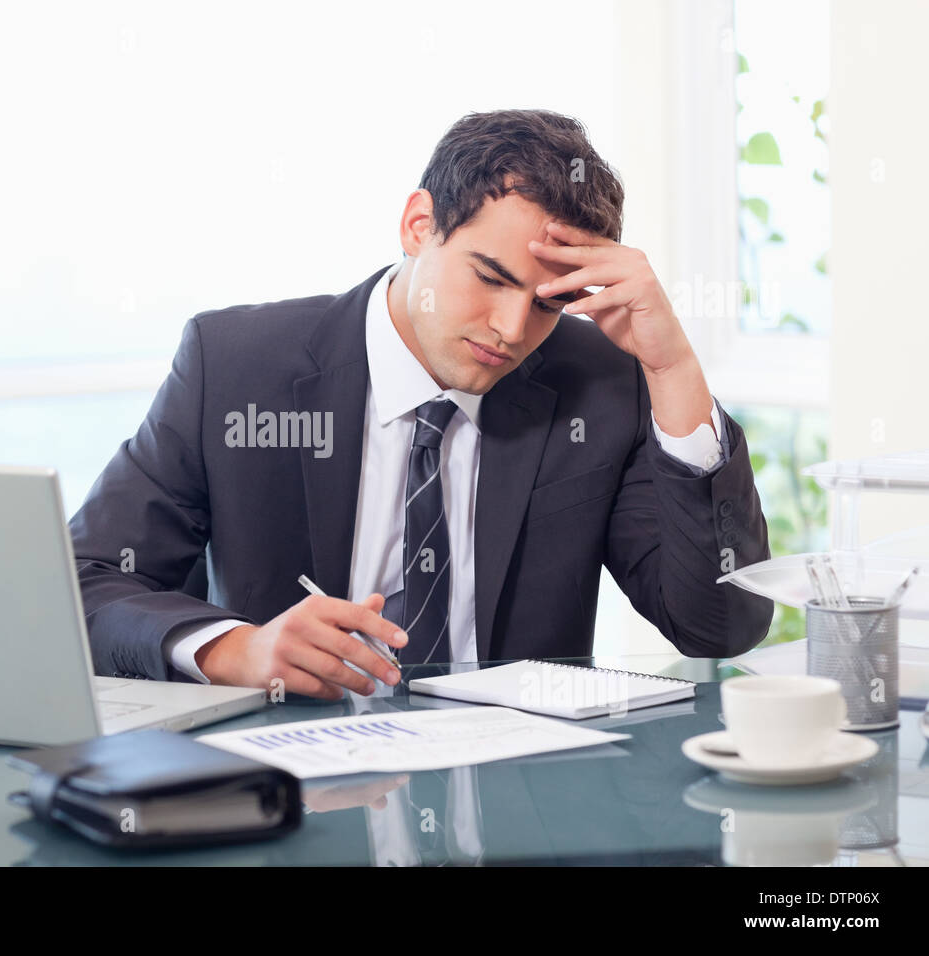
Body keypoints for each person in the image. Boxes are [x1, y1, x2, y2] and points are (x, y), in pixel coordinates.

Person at [69, 108, 774, 699]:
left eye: (547, 305)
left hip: (516, 798)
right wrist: (240, 651)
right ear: (418, 226)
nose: (510, 329)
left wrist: (671, 365)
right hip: (299, 784)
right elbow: (86, 580)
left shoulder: (599, 384)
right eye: (490, 278)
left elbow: (720, 627)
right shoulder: (235, 368)